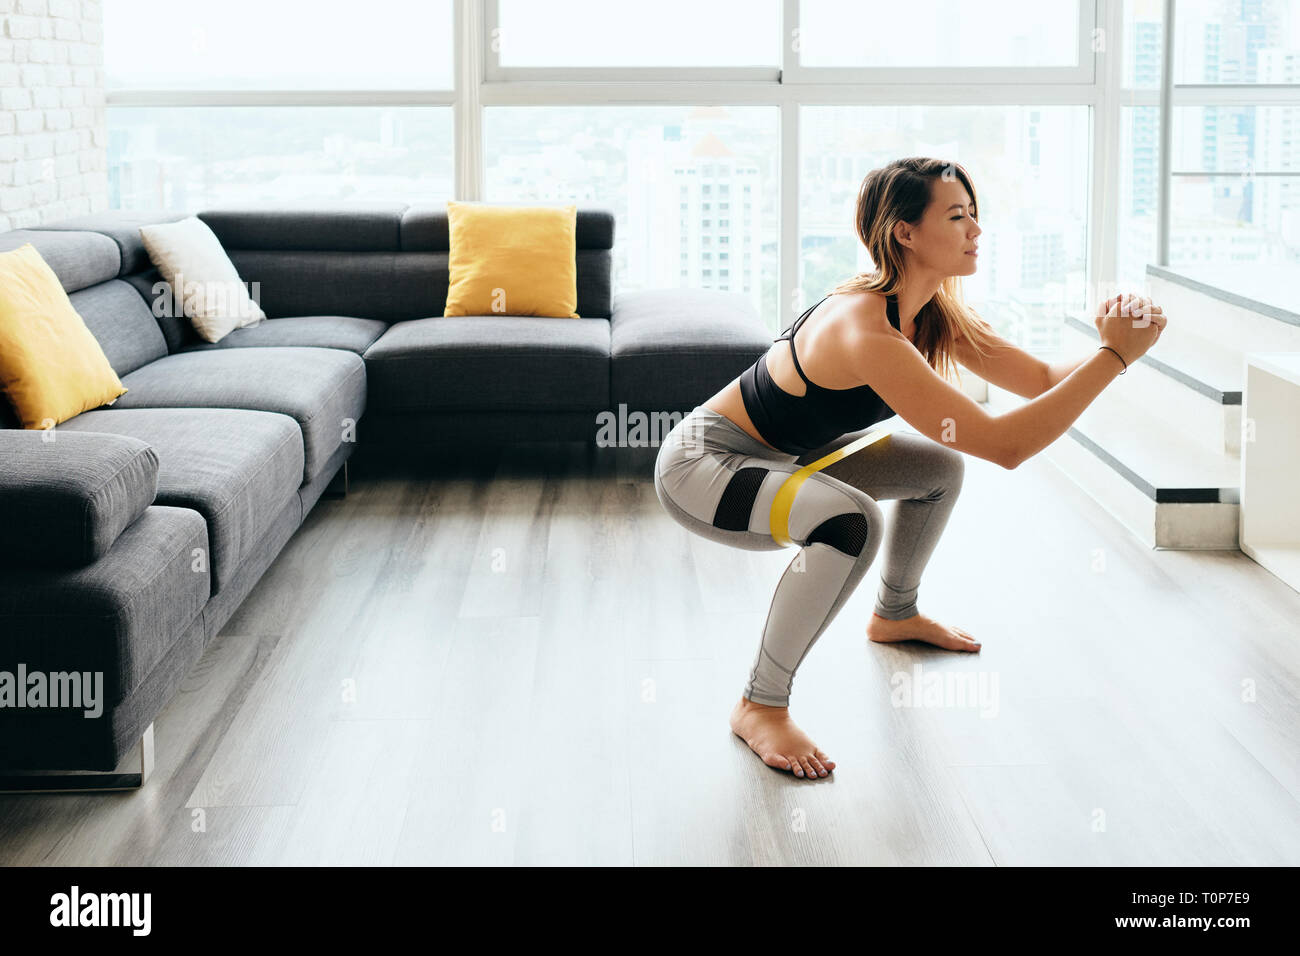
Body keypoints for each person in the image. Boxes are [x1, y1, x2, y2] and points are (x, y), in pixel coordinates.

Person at [653, 156, 1167, 779]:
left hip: (787, 462)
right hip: (705, 469)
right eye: (957, 216)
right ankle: (760, 703)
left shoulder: (928, 314)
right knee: (851, 521)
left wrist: (1112, 343)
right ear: (904, 231)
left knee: (936, 467)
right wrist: (1115, 355)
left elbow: (1037, 381)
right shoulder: (865, 328)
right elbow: (1007, 446)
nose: (976, 229)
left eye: (975, 214)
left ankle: (895, 614)